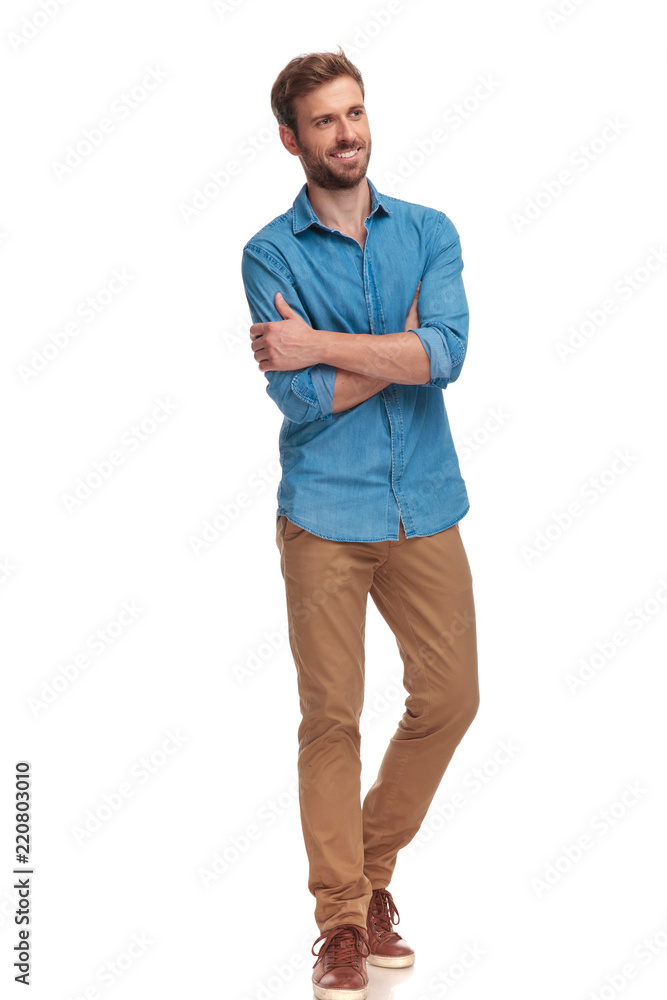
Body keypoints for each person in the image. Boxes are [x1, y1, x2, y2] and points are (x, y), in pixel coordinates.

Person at [241, 46, 480, 1000]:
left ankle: (367, 867)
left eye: (356, 113)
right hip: (325, 514)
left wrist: (321, 343)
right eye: (326, 121)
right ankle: (342, 920)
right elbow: (298, 400)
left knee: (451, 698)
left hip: (423, 501)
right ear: (291, 139)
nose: (348, 133)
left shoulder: (429, 231)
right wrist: (397, 350)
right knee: (330, 718)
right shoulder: (270, 253)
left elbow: (448, 355)